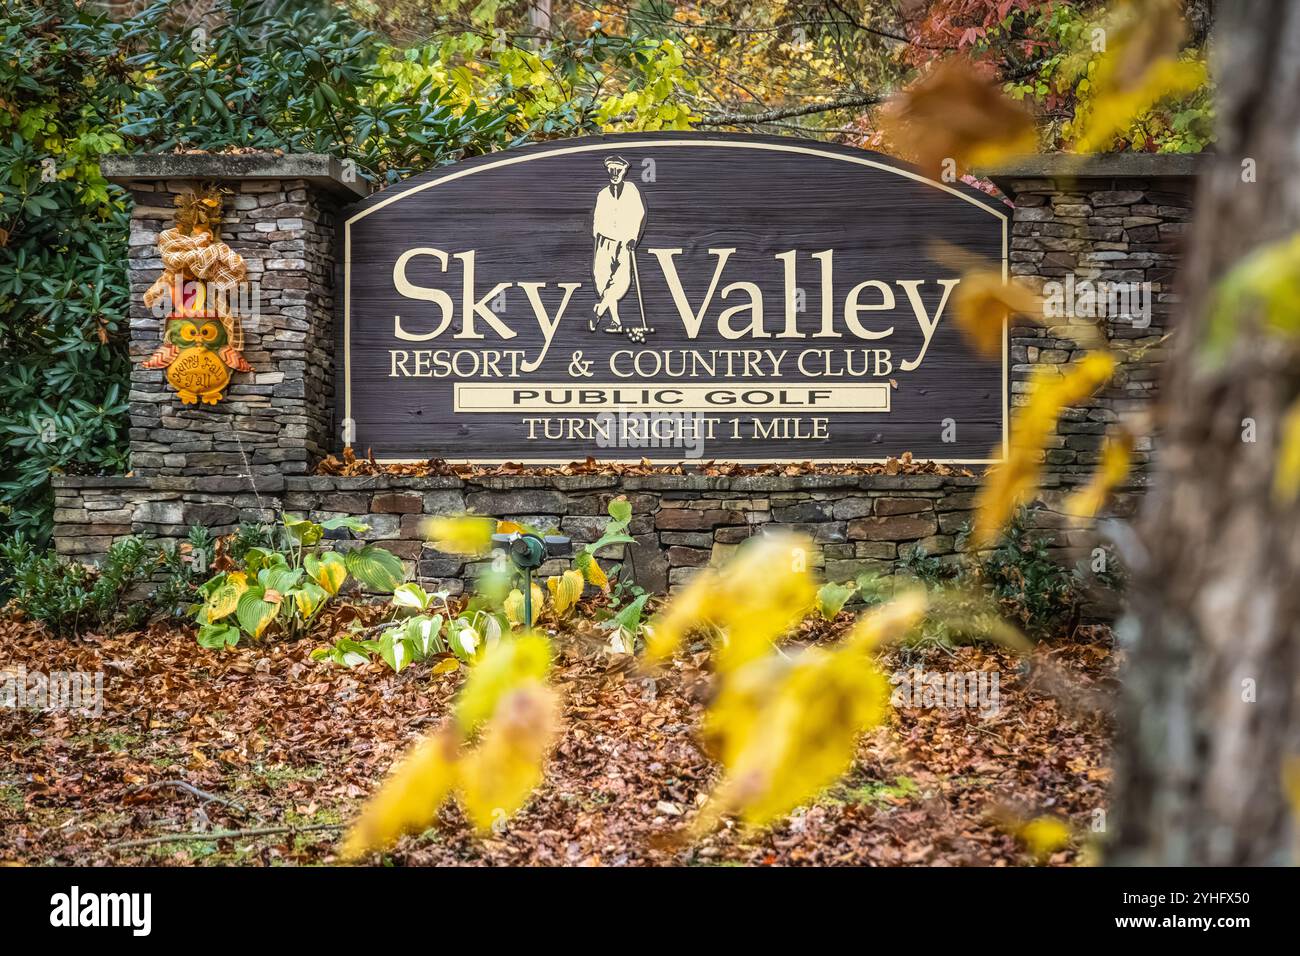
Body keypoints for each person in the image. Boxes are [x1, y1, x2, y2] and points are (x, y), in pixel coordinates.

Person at [590, 155, 646, 333]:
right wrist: (598, 239)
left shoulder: (631, 190)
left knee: (621, 281)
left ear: (624, 171)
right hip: (604, 242)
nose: (615, 173)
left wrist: (632, 237)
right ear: (608, 170)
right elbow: (597, 219)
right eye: (612, 170)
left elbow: (639, 213)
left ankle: (598, 310)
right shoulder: (602, 194)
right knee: (602, 283)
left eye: (618, 170)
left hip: (624, 242)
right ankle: (616, 322)